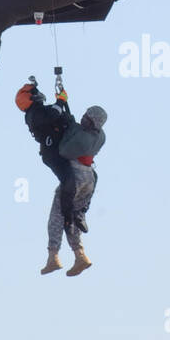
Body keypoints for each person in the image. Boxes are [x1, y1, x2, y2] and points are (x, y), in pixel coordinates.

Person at [16, 78, 78, 274]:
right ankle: (70, 212)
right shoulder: (35, 114)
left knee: (71, 182)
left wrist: (61, 101)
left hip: (56, 150)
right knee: (69, 182)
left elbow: (56, 113)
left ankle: (71, 209)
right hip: (53, 153)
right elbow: (53, 114)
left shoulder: (36, 111)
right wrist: (61, 101)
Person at [51, 106, 107, 276]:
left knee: (58, 215)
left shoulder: (82, 138)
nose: (82, 118)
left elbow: (64, 150)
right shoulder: (101, 136)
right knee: (72, 218)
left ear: (93, 122)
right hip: (89, 178)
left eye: (87, 118)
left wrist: (69, 130)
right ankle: (80, 256)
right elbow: (80, 131)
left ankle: (52, 256)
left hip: (75, 176)